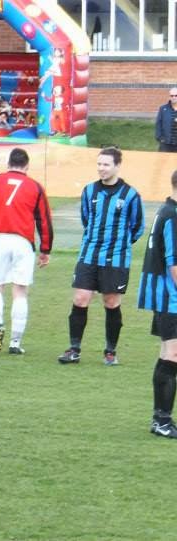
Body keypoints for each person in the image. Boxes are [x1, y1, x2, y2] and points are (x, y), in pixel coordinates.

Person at [57, 147, 143, 365]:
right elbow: (87, 219)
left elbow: (138, 227)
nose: (101, 169)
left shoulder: (131, 195)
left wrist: (120, 244)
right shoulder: (89, 191)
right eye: (99, 164)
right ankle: (74, 349)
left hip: (116, 258)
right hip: (89, 255)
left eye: (106, 165)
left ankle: (110, 351)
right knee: (80, 298)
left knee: (111, 302)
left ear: (117, 166)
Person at [0, 148, 53, 354]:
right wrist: (45, 249)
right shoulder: (35, 187)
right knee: (20, 291)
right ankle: (15, 343)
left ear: (8, 164)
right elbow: (44, 220)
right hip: (23, 243)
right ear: (26, 166)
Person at [137, 169, 177, 438]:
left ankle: (160, 418)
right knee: (172, 354)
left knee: (168, 353)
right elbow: (173, 262)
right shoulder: (173, 215)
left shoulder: (165, 210)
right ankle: (162, 421)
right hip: (169, 295)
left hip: (162, 294)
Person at [155, 87, 177, 152]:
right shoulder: (163, 109)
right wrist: (159, 137)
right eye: (172, 95)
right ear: (169, 97)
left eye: (176, 95)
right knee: (162, 161)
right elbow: (158, 124)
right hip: (165, 143)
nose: (174, 97)